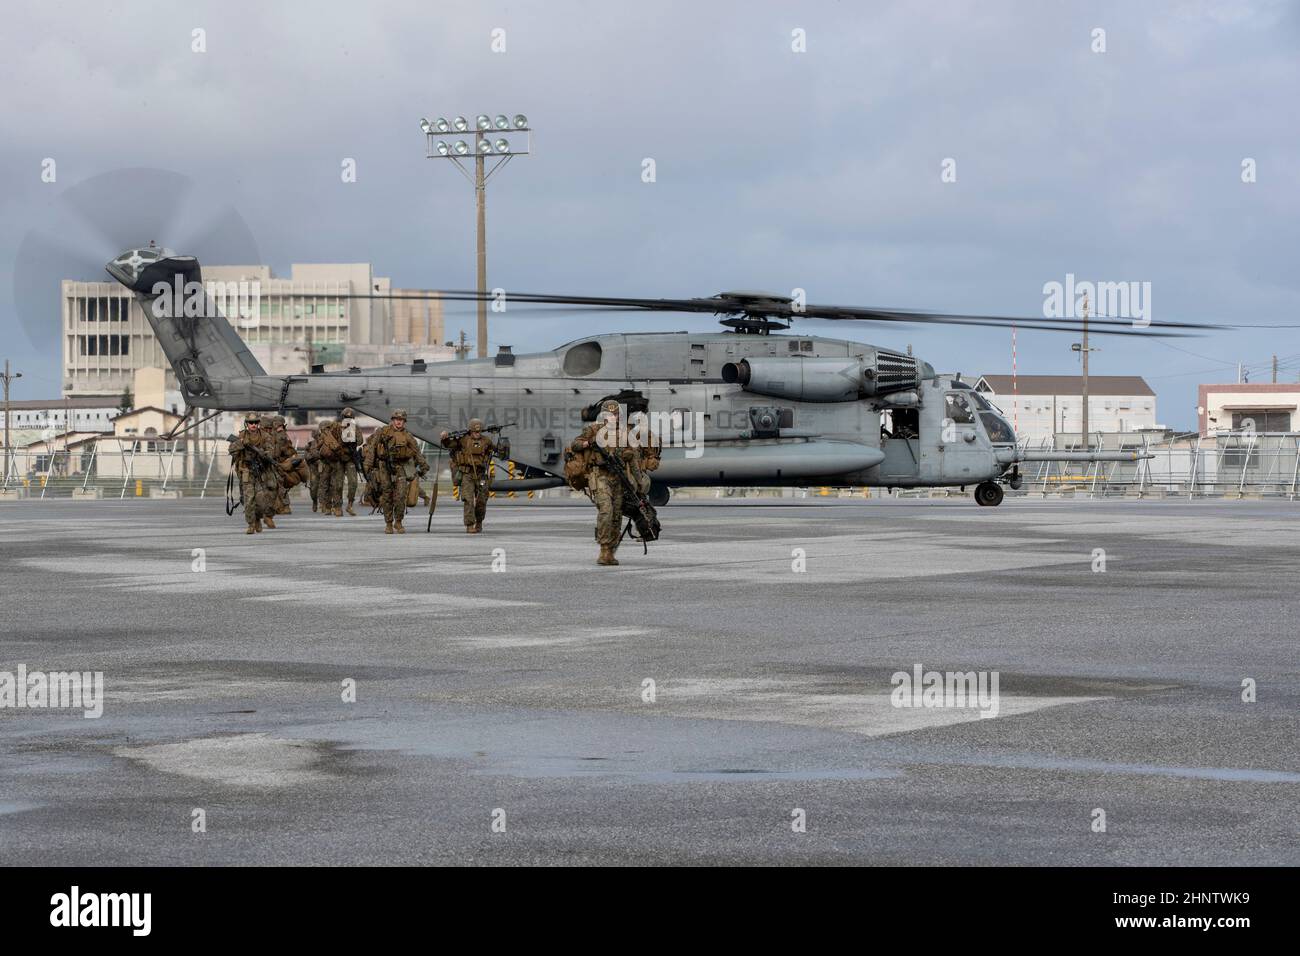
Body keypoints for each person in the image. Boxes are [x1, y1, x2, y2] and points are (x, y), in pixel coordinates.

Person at [565, 400, 648, 566]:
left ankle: (610, 551)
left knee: (617, 515)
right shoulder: (593, 430)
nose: (613, 417)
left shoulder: (625, 433)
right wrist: (589, 443)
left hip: (619, 479)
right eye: (609, 414)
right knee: (606, 511)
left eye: (616, 414)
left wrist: (639, 483)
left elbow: (634, 461)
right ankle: (603, 548)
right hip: (600, 476)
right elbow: (575, 444)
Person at [364, 408, 428, 533]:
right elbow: (372, 449)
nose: (399, 422)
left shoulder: (407, 436)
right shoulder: (382, 432)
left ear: (404, 422)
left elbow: (417, 452)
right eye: (397, 419)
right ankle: (388, 523)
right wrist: (368, 464)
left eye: (401, 420)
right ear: (393, 420)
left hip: (400, 468)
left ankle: (398, 521)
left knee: (401, 496)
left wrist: (424, 466)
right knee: (387, 495)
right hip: (385, 468)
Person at [440, 418, 495, 534]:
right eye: (475, 431)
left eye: (479, 431)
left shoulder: (487, 441)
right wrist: (444, 438)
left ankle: (479, 522)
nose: (477, 433)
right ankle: (470, 525)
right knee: (468, 500)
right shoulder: (463, 440)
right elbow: (449, 444)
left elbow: (494, 450)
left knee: (481, 501)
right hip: (467, 474)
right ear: (470, 430)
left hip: (481, 474)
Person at [228, 412, 278, 534]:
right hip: (246, 471)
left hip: (261, 471)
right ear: (247, 424)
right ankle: (251, 524)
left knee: (261, 501)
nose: (253, 425)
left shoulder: (265, 436)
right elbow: (231, 449)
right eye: (251, 423)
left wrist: (264, 454)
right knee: (249, 499)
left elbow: (271, 452)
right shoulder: (242, 436)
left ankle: (258, 519)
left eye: (256, 422)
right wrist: (241, 443)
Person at [315, 418, 347, 517]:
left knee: (330, 485)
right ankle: (333, 507)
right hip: (330, 463)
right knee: (332, 486)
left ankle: (332, 507)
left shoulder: (333, 436)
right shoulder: (323, 438)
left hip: (331, 463)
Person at [338, 407, 364, 516]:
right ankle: (338, 506)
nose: (348, 419)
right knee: (338, 484)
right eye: (346, 417)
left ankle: (349, 505)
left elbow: (360, 441)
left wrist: (353, 433)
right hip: (339, 458)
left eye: (350, 417)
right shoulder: (337, 427)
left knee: (353, 482)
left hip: (350, 458)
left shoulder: (355, 427)